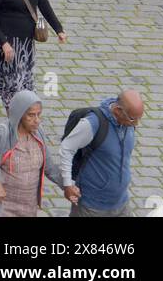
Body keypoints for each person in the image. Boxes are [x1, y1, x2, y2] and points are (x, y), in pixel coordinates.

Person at [0, 91, 64, 218]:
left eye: (39, 115)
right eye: (31, 115)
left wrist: (66, 185)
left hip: (28, 208)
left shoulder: (38, 132)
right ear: (19, 114)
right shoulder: (2, 133)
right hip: (2, 207)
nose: (37, 120)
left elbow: (49, 168)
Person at [60, 90, 144, 218]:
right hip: (92, 206)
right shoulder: (93, 123)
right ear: (117, 111)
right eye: (133, 119)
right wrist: (67, 184)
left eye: (139, 119)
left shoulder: (128, 123)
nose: (136, 124)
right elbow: (66, 148)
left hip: (121, 203)